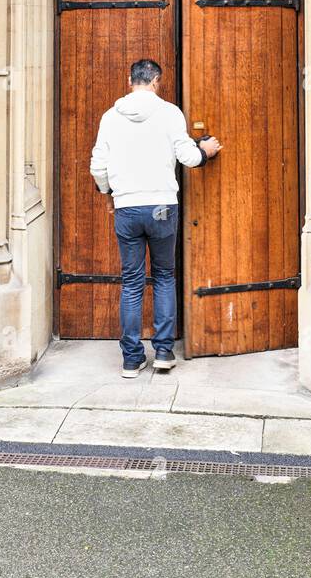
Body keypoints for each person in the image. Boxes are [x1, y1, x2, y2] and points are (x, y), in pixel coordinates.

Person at [90, 58, 222, 377]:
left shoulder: (110, 117)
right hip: (162, 205)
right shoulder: (169, 113)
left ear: (129, 79)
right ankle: (163, 352)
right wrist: (206, 151)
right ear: (156, 82)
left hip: (127, 208)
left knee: (132, 281)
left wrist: (110, 193)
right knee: (164, 276)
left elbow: (97, 167)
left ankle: (132, 358)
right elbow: (188, 158)